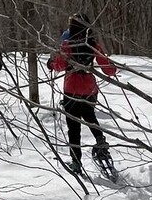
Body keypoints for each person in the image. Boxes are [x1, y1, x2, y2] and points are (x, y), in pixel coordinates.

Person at [48, 12, 117, 176]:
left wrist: (51, 63)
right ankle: (100, 141)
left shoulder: (68, 44)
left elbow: (60, 65)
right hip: (89, 89)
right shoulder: (92, 44)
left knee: (74, 128)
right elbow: (109, 70)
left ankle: (76, 162)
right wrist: (112, 66)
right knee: (90, 116)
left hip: (71, 89)